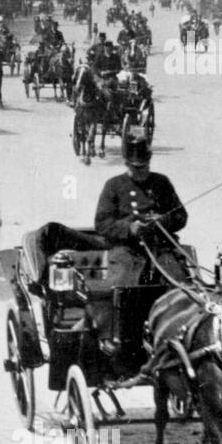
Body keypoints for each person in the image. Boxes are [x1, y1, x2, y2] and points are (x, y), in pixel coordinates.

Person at [90, 132, 189, 352]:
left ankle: (180, 333)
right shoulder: (113, 186)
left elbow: (181, 216)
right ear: (126, 163)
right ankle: (110, 335)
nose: (141, 172)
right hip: (127, 249)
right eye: (136, 167)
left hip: (160, 248)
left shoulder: (162, 183)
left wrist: (162, 220)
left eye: (144, 166)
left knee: (182, 284)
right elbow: (102, 223)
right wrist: (130, 228)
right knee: (120, 284)